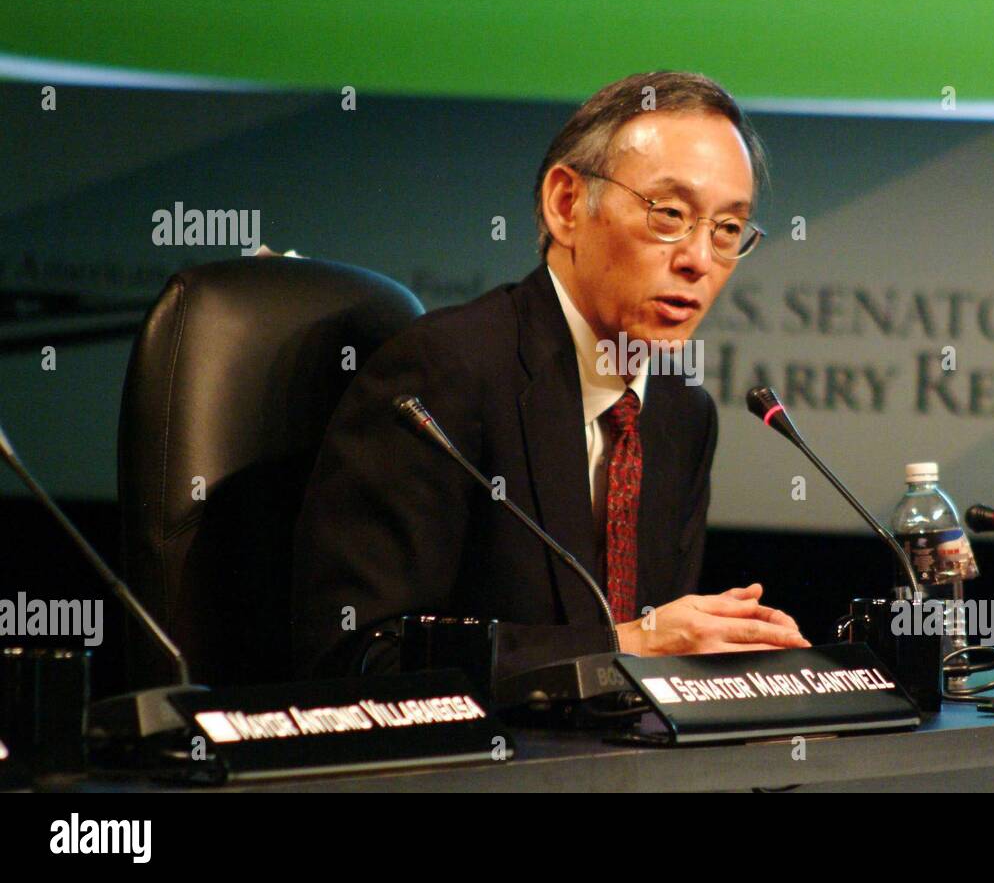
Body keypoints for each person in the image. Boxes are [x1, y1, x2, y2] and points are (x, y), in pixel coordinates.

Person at [292, 71, 809, 680]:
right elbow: (355, 653)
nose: (698, 259)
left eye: (726, 230)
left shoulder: (680, 413)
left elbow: (653, 669)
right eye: (670, 214)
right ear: (566, 205)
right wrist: (624, 644)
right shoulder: (441, 377)